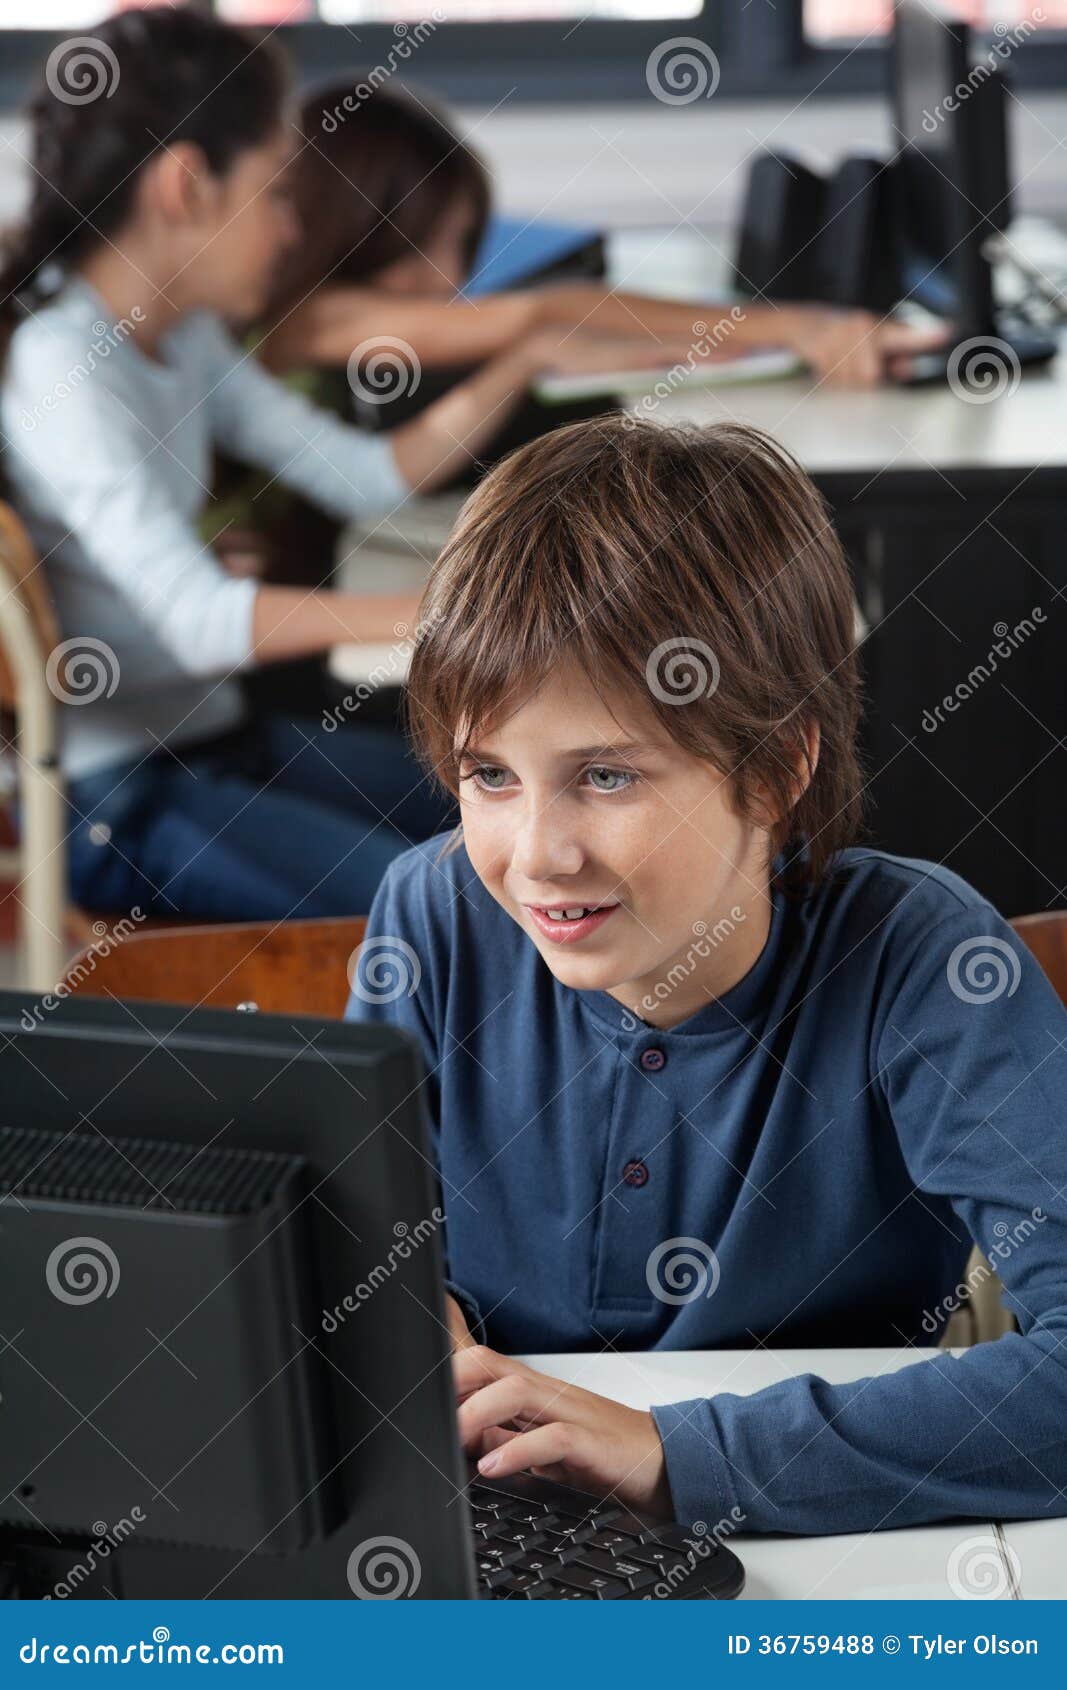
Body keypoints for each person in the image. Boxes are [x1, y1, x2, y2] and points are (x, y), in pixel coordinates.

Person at [346, 414, 1067, 1536]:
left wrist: (680, 1455)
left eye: (605, 777)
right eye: (488, 775)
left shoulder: (922, 960)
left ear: (775, 768)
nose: (536, 856)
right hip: (487, 1523)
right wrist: (403, 1342)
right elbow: (355, 1251)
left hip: (817, 1552)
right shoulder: (429, 914)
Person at [0, 8, 658, 923]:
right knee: (461, 902)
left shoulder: (180, 337)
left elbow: (361, 474)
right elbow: (199, 621)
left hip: (223, 743)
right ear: (186, 186)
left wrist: (521, 362)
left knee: (534, 819)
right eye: (275, 192)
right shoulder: (67, 368)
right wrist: (458, 614)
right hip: (121, 802)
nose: (288, 230)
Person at [261, 78, 944, 390]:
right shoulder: (309, 320)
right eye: (419, 245)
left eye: (459, 243)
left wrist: (677, 347)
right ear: (348, 227)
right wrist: (800, 326)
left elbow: (534, 329)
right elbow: (538, 312)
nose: (447, 276)